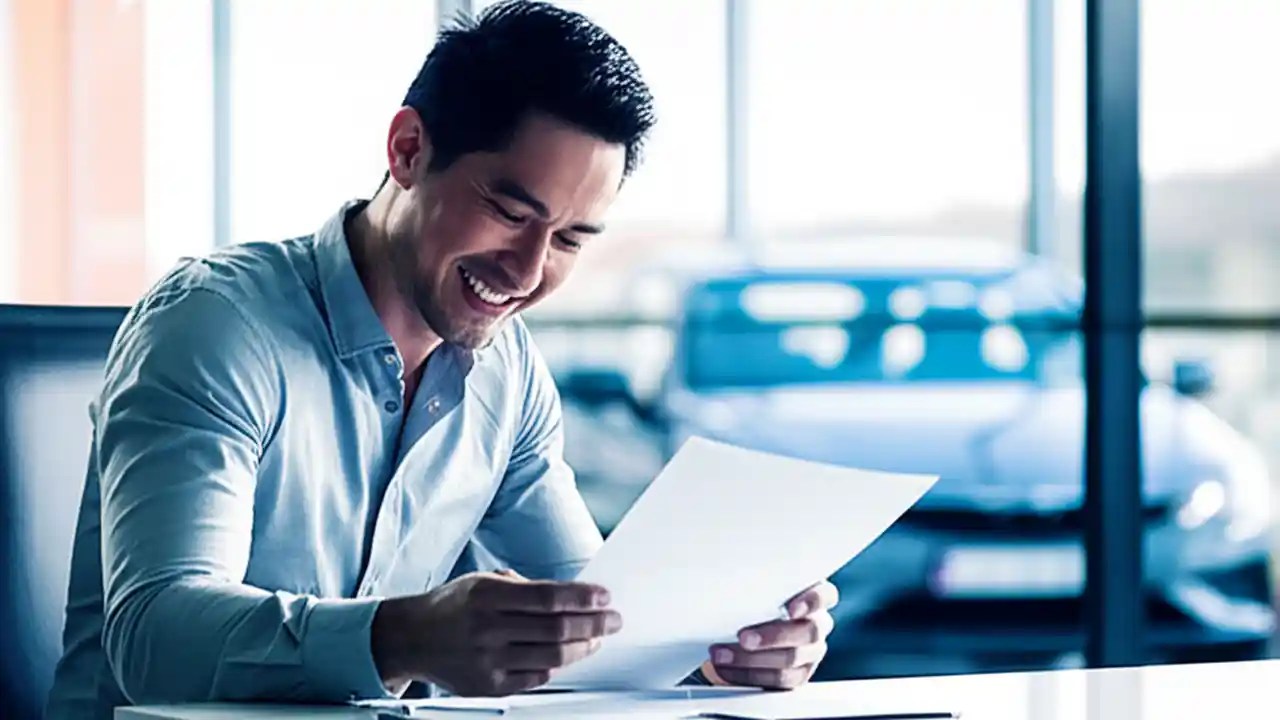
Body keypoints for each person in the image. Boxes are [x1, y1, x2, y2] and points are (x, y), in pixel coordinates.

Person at [44, 2, 837, 718]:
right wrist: (403, 638)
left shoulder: (509, 375)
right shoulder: (218, 326)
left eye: (567, 240)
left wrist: (716, 656)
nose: (528, 275)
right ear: (408, 149)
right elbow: (155, 639)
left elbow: (594, 623)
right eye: (507, 211)